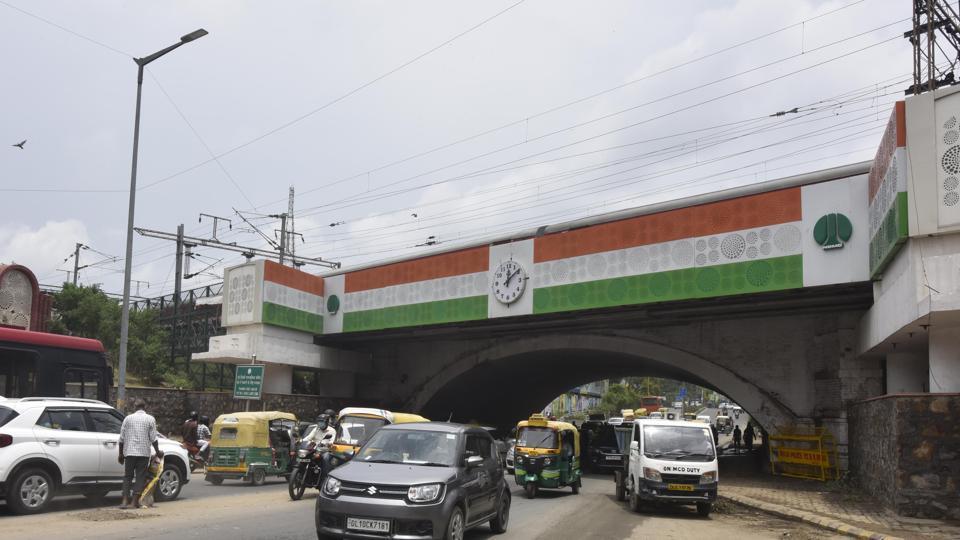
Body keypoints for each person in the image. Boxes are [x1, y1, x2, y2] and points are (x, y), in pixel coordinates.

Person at [118, 399, 163, 509]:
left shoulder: (128, 418)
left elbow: (121, 438)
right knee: (140, 477)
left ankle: (124, 501)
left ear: (135, 407)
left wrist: (120, 454)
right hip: (143, 453)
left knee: (127, 476)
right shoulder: (150, 419)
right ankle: (134, 502)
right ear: (145, 407)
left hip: (129, 452)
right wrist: (158, 452)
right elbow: (153, 438)